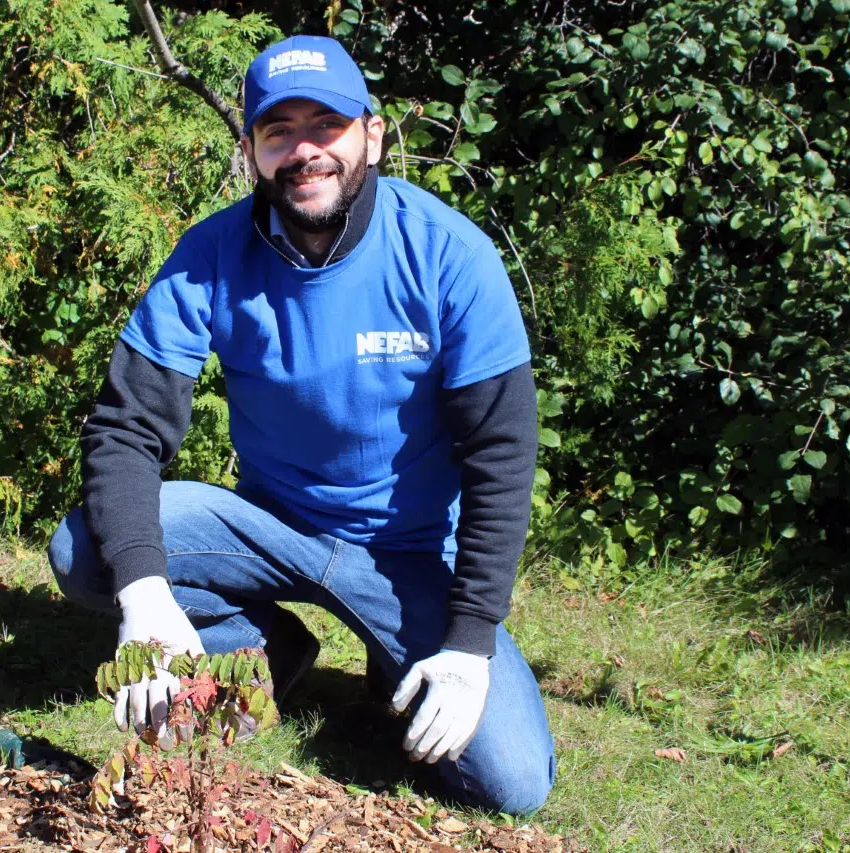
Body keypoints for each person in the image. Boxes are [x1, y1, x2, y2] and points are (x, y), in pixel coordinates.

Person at [48, 34, 555, 815]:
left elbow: (503, 454)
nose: (305, 150)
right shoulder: (209, 254)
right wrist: (145, 597)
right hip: (272, 526)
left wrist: (468, 643)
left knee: (511, 782)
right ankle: (267, 649)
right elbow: (126, 428)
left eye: (328, 125)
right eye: (279, 130)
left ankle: (403, 656)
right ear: (251, 149)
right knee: (86, 551)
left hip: (411, 553)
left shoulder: (450, 256)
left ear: (372, 138)